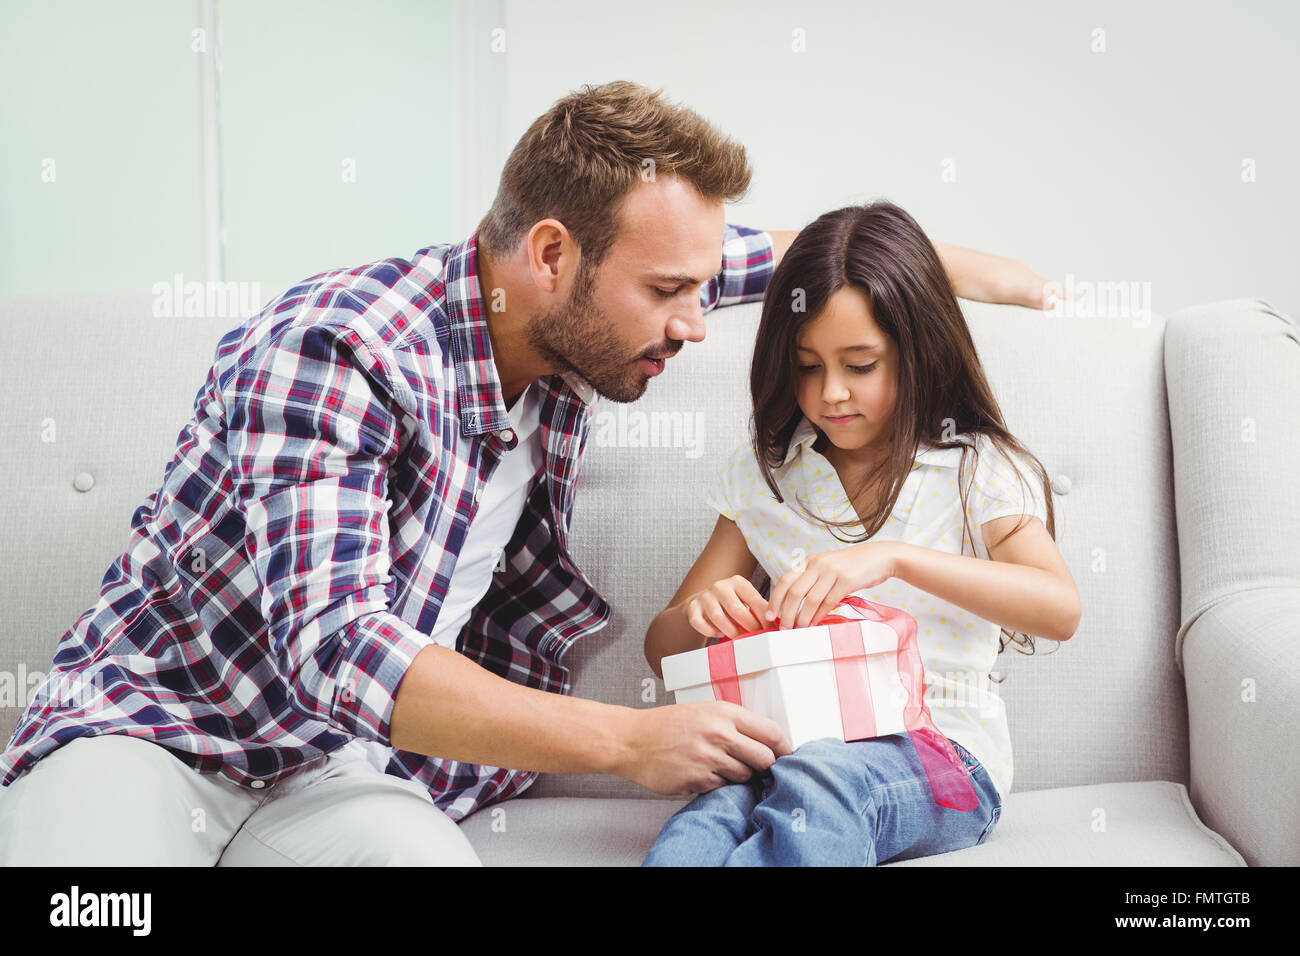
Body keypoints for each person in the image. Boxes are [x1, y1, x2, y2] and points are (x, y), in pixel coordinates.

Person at [0, 82, 1063, 866]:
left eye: (697, 287)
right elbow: (336, 647)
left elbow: (769, 261)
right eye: (667, 291)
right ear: (551, 256)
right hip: (167, 734)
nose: (696, 322)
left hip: (347, 770)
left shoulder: (576, 323)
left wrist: (959, 271)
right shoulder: (340, 350)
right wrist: (632, 738)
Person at [641, 200, 1082, 866]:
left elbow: (1059, 608)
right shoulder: (768, 475)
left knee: (824, 780)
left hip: (943, 752)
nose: (831, 395)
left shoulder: (975, 468)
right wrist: (702, 617)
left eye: (861, 365)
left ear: (919, 352)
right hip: (784, 747)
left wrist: (896, 559)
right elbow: (661, 648)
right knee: (712, 811)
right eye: (809, 366)